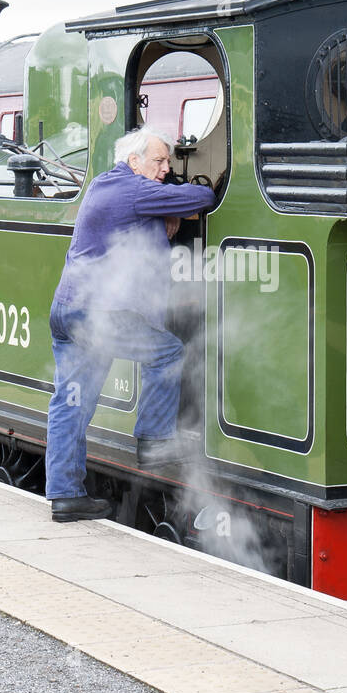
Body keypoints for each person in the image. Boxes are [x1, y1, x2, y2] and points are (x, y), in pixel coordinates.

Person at [45, 126, 216, 522]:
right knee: (168, 351)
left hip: (70, 311)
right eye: (158, 161)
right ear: (133, 160)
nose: (164, 170)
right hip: (96, 314)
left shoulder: (107, 186)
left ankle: (66, 496)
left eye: (168, 163)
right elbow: (202, 196)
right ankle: (154, 441)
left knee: (71, 404)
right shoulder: (133, 190)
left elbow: (136, 223)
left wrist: (162, 214)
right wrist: (171, 205)